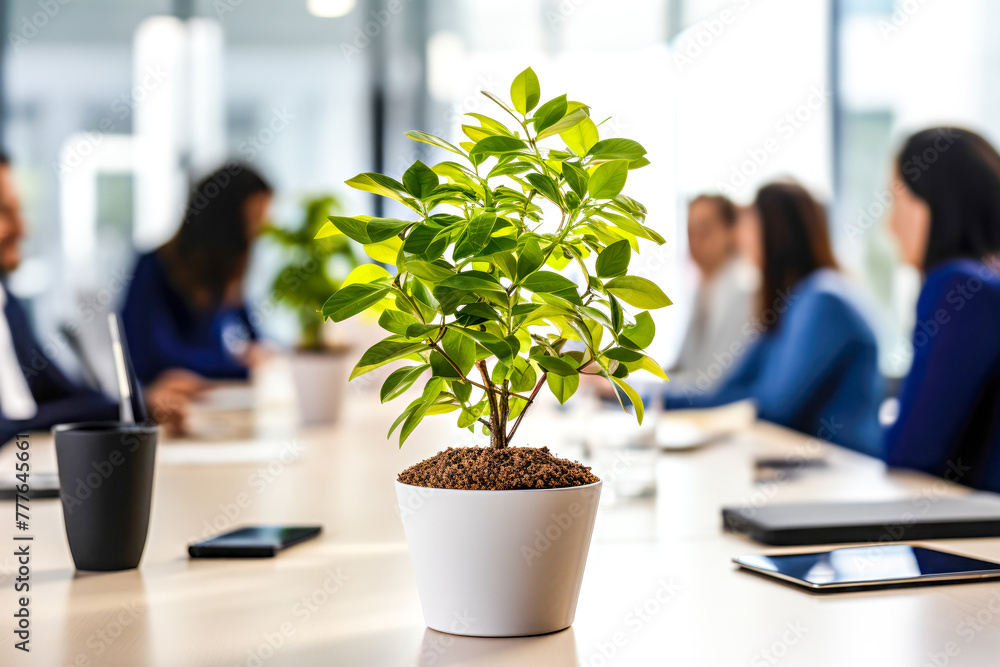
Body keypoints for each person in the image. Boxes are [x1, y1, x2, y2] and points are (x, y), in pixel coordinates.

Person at [663, 182, 883, 455]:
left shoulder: (823, 299)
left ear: (773, 231)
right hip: (805, 465)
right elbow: (727, 389)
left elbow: (775, 406)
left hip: (850, 469)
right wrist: (633, 395)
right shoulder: (786, 304)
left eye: (749, 227)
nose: (741, 240)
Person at [0, 152, 186, 444]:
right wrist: (130, 409)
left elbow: (62, 393)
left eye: (18, 211)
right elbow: (8, 427)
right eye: (3, 212)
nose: (23, 229)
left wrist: (138, 405)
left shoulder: (7, 304)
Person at [883, 127, 1000, 492]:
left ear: (929, 204)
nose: (889, 224)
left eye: (895, 199)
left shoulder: (957, 285)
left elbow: (910, 452)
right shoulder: (986, 281)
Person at [121, 164, 272, 389]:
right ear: (226, 223)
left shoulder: (225, 277)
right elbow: (152, 360)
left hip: (215, 396)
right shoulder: (154, 267)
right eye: (253, 221)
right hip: (171, 403)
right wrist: (236, 367)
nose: (259, 233)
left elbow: (255, 340)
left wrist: (260, 355)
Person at [669, 194, 756, 391]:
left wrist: (635, 390)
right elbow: (681, 369)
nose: (695, 241)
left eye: (705, 230)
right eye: (690, 232)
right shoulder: (702, 289)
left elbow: (714, 383)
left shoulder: (745, 291)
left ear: (731, 232)